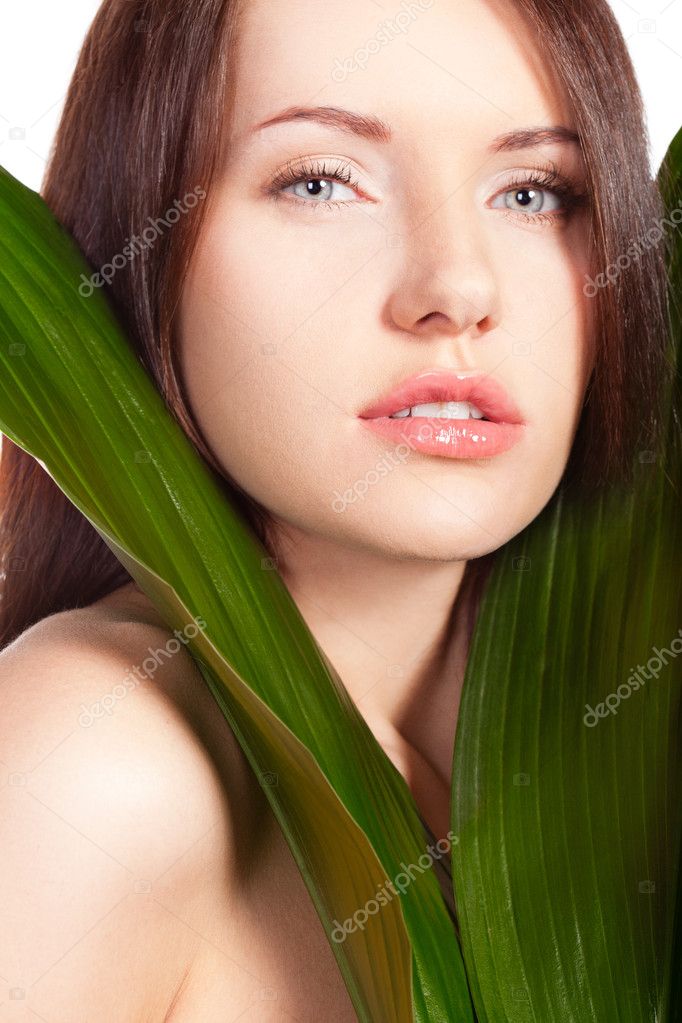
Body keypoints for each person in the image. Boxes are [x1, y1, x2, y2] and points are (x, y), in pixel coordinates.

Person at [0, 0, 671, 1019]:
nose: (455, 287)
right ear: (138, 247)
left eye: (534, 192)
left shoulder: (609, 750)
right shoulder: (94, 759)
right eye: (319, 181)